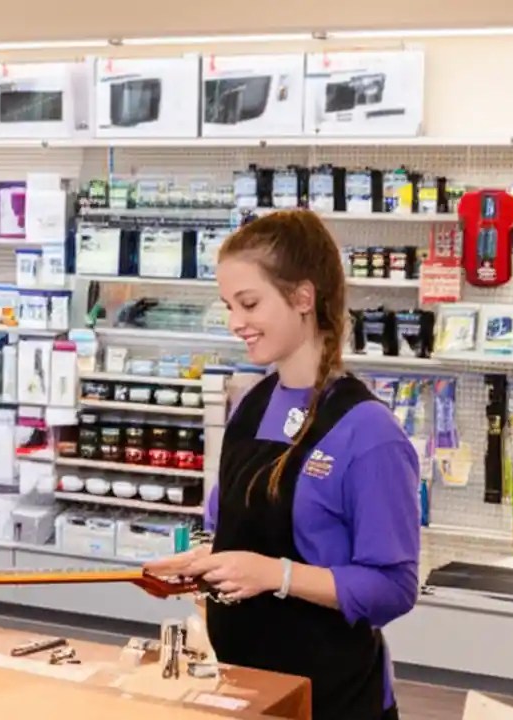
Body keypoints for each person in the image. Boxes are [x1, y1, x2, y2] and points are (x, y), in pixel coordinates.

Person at [145, 209, 421, 720]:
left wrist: (278, 574)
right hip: (245, 691)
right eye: (228, 306)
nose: (235, 324)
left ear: (303, 298)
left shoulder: (369, 433)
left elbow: (394, 588)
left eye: (249, 303)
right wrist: (201, 563)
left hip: (332, 700)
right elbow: (225, 526)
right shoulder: (249, 405)